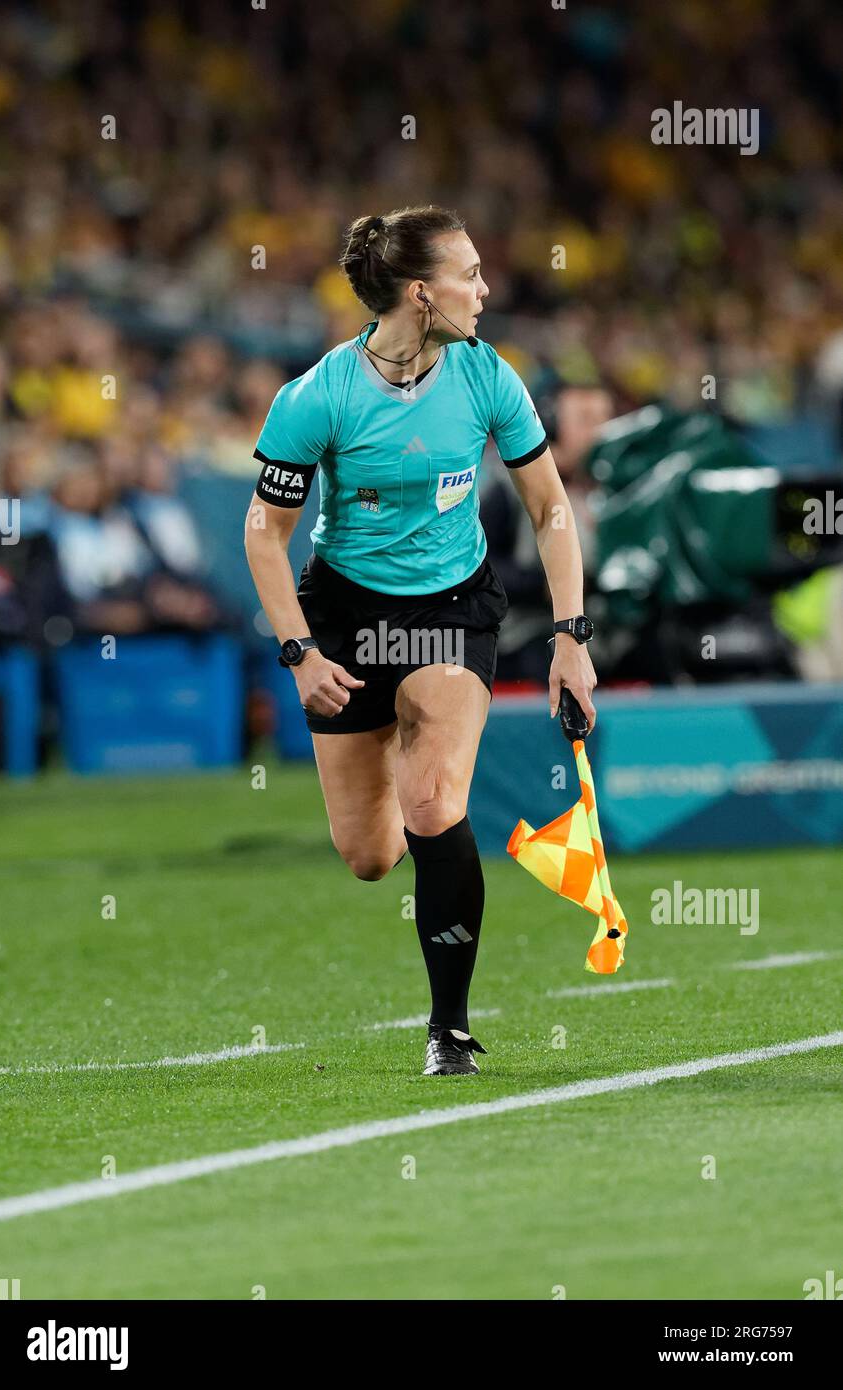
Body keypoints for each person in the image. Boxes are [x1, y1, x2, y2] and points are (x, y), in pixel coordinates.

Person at [244, 205, 596, 1076]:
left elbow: (551, 509)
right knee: (369, 855)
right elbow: (264, 531)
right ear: (419, 293)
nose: (484, 288)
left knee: (436, 802)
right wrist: (299, 652)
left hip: (452, 611)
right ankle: (413, 801)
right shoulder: (318, 395)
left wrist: (569, 636)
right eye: (468, 274)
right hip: (345, 617)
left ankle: (450, 1028)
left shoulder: (487, 379)